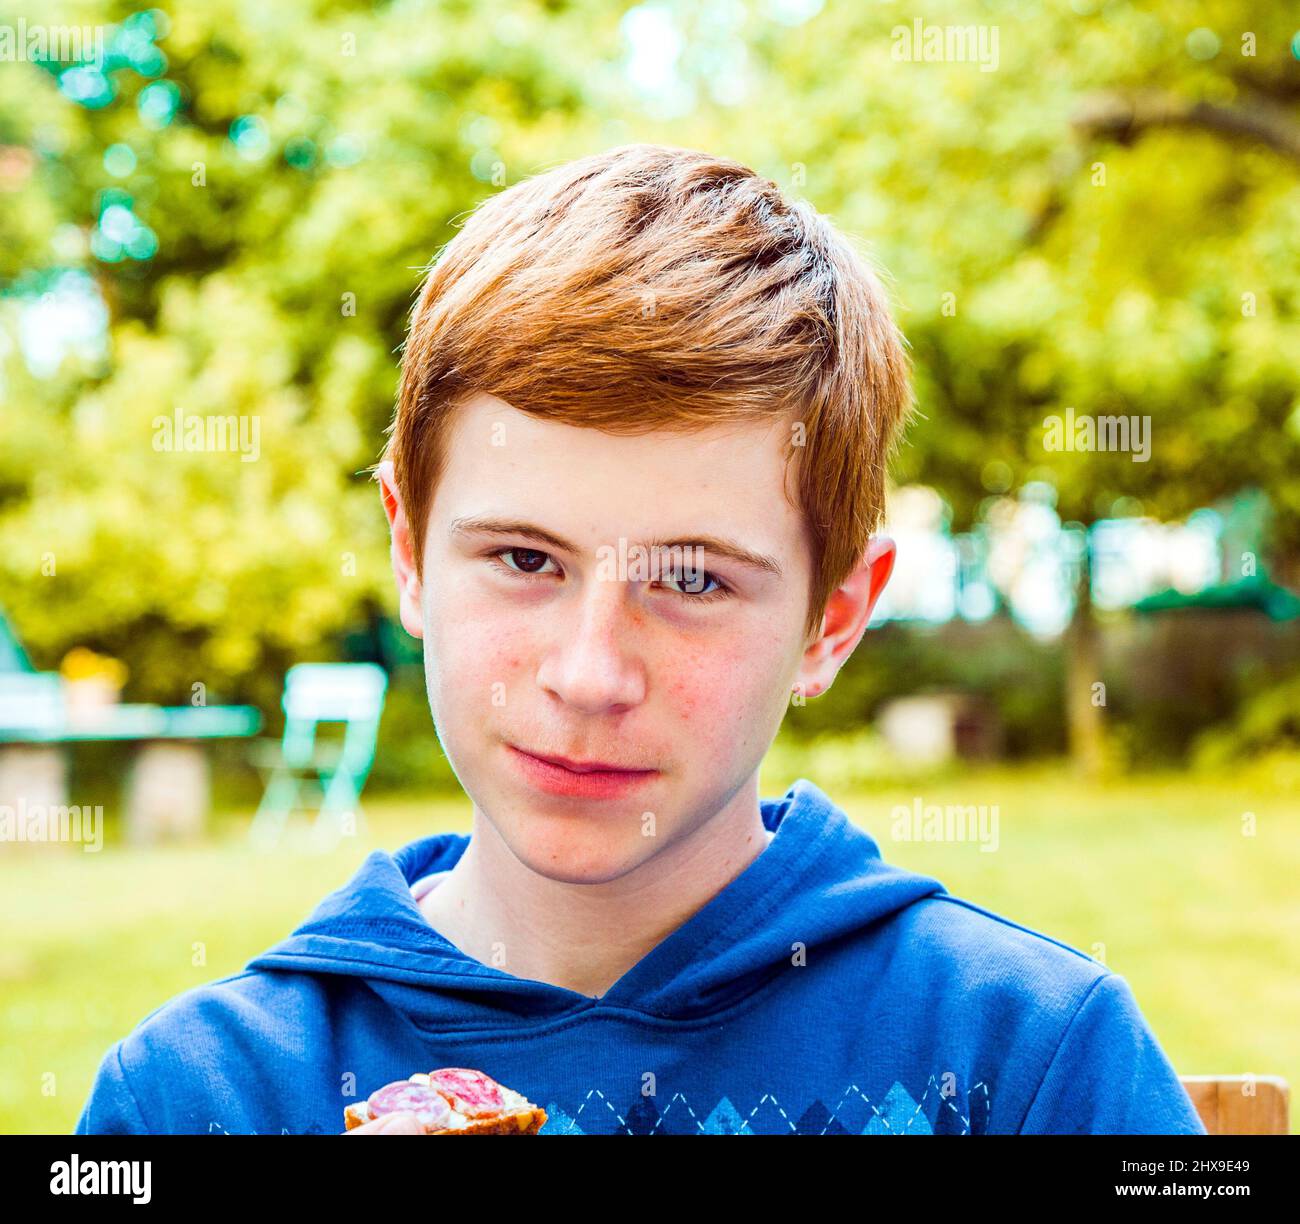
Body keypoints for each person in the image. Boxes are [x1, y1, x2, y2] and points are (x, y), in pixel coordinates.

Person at [75, 144, 1206, 1135]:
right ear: (411, 555)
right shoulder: (201, 1098)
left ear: (833, 620)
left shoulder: (1027, 1066)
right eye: (524, 560)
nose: (588, 674)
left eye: (694, 580)